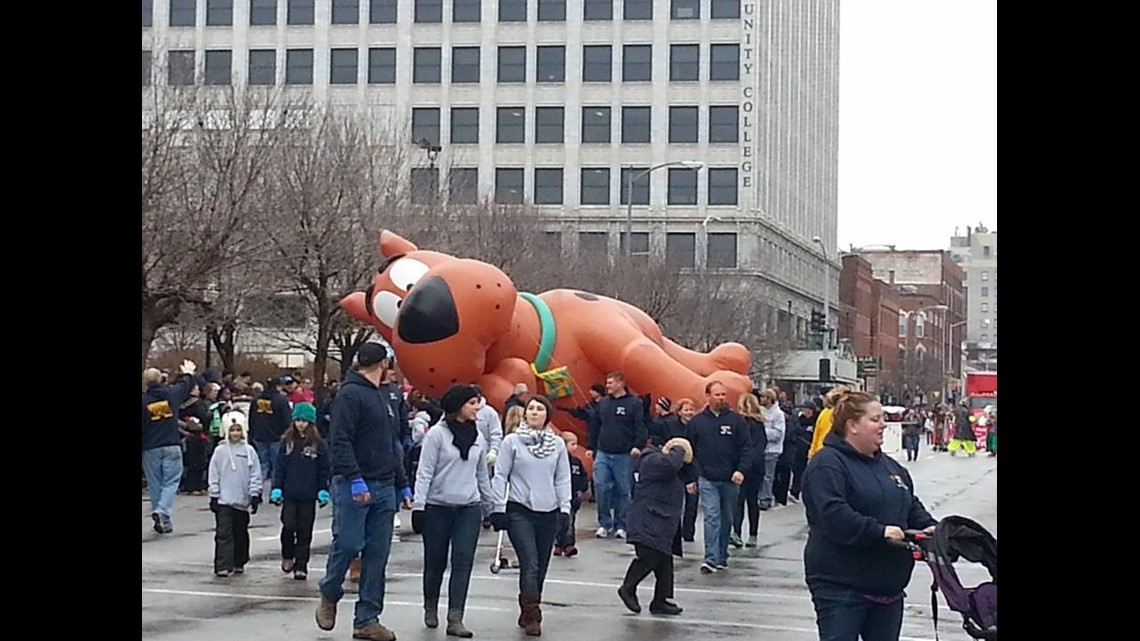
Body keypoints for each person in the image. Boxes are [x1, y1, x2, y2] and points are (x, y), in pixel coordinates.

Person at [801, 389, 939, 641]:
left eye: (883, 418)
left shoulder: (890, 466)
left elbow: (909, 505)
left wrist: (931, 528)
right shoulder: (827, 464)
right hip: (841, 585)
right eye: (875, 419)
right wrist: (880, 531)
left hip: (888, 586)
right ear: (852, 425)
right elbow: (833, 514)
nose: (883, 425)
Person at [315, 343, 415, 641]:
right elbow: (340, 440)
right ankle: (330, 591)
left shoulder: (386, 395)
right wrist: (354, 477)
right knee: (348, 543)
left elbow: (393, 444)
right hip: (354, 483)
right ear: (382, 362)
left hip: (385, 484)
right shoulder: (350, 394)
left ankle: (367, 619)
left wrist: (402, 482)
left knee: (377, 554)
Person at [411, 384, 495, 638]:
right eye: (472, 403)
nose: (477, 408)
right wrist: (419, 506)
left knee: (463, 560)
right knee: (435, 561)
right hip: (438, 507)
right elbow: (424, 472)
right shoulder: (437, 435)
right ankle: (431, 604)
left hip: (468, 508)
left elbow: (482, 474)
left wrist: (491, 507)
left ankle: (455, 616)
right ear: (458, 406)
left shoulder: (478, 436)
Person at [488, 395, 572, 637]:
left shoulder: (556, 444)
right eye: (531, 409)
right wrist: (498, 508)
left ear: (547, 415)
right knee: (530, 563)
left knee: (542, 566)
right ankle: (534, 615)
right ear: (525, 414)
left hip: (549, 510)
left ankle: (527, 607)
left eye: (540, 409)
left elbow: (562, 477)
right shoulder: (512, 442)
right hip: (519, 508)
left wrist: (565, 508)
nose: (534, 412)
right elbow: (501, 475)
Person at [617, 438, 693, 617]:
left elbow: (691, 469)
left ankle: (662, 600)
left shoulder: (673, 465)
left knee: (664, 561)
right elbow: (671, 464)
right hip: (647, 518)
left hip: (663, 521)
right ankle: (628, 587)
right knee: (649, 556)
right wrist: (680, 449)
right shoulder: (651, 459)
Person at [689, 381, 753, 574]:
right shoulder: (697, 422)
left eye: (723, 394)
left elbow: (746, 448)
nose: (721, 398)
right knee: (712, 516)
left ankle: (721, 555)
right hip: (707, 478)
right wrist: (691, 477)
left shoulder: (736, 421)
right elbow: (689, 451)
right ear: (707, 396)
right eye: (717, 394)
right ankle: (709, 558)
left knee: (726, 518)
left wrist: (741, 470)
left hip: (730, 478)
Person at [270, 402, 331, 580]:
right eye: (298, 420)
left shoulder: (318, 444)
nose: (301, 424)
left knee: (305, 530)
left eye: (304, 421)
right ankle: (288, 554)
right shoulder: (287, 442)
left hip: (308, 494)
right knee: (289, 525)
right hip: (290, 493)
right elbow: (280, 467)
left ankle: (301, 564)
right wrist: (277, 488)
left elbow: (323, 469)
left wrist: (322, 490)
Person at [587, 372, 647, 539]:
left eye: (611, 383)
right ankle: (604, 523)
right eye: (607, 382)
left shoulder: (634, 403)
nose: (608, 386)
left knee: (623, 490)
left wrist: (638, 445)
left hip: (624, 454)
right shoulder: (604, 403)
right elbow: (595, 425)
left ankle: (622, 524)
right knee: (601, 486)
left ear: (621, 383)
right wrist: (591, 446)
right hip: (603, 452)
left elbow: (640, 426)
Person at [142, 359, 197, 534]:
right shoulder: (171, 395)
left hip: (150, 446)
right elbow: (185, 386)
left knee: (155, 483)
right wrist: (188, 372)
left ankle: (160, 515)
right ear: (161, 380)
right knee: (171, 480)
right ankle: (163, 511)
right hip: (171, 443)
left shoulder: (143, 401)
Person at [208, 413, 263, 577]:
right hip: (224, 500)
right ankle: (223, 564)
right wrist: (214, 494)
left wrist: (255, 493)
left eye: (238, 430)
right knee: (223, 534)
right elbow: (214, 473)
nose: (235, 434)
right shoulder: (220, 451)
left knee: (240, 533)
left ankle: (239, 561)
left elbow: (255, 474)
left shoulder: (249, 451)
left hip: (242, 500)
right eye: (232, 430)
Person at [731, 393, 767, 548]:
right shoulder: (759, 424)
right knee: (752, 501)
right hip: (757, 466)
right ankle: (753, 534)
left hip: (741, 466)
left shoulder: (739, 423)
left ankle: (736, 532)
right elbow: (761, 445)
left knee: (739, 501)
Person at [553, 431, 588, 558]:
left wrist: (582, 489)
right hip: (559, 497)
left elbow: (583, 476)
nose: (575, 447)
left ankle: (568, 544)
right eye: (573, 444)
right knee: (558, 521)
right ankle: (558, 544)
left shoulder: (576, 462)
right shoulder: (557, 461)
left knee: (570, 521)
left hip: (573, 497)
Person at [249, 377, 291, 482]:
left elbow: (251, 418)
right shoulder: (282, 400)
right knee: (276, 466)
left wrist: (252, 434)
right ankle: (274, 491)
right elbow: (287, 419)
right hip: (277, 437)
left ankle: (258, 490)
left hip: (259, 436)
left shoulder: (256, 400)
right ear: (278, 386)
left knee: (261, 465)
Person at [757, 389, 786, 510]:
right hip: (760, 448)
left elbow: (778, 433)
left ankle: (766, 498)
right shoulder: (760, 411)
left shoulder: (778, 414)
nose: (761, 399)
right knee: (760, 475)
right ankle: (759, 496)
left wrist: (762, 433)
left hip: (772, 450)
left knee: (768, 475)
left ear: (769, 399)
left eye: (763, 397)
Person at [808, 386, 850, 460]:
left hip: (818, 452)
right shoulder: (843, 414)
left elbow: (816, 435)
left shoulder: (824, 412)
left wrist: (811, 454)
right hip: (834, 455)